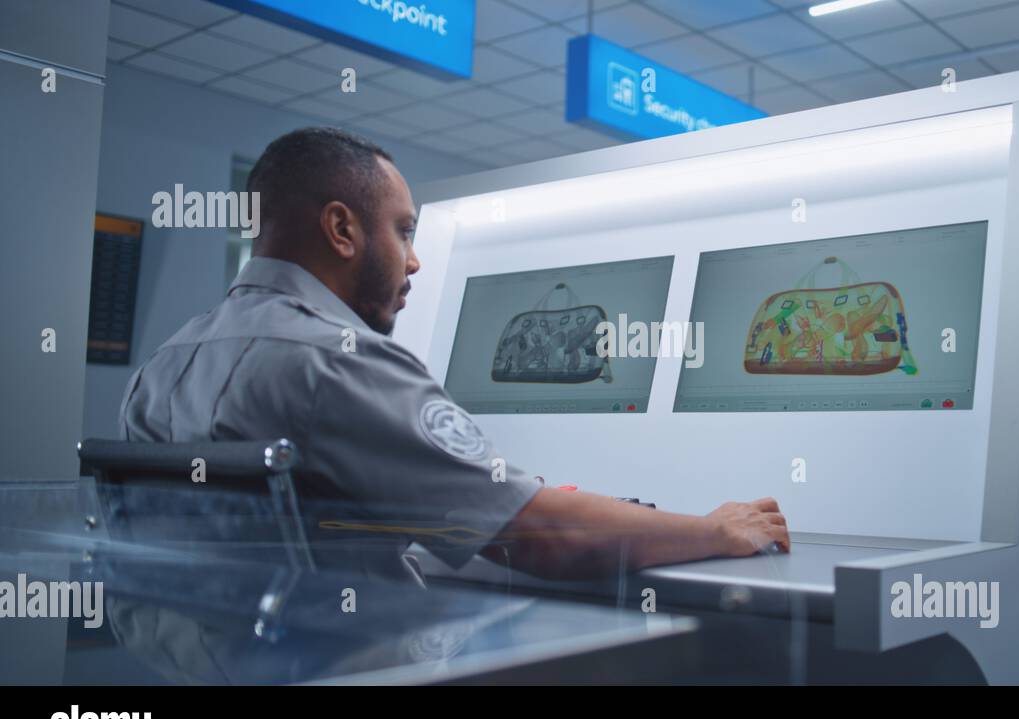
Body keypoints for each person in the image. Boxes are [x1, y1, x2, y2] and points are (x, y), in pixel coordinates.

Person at [120, 127, 790, 580]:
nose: (414, 260)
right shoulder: (340, 363)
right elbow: (533, 534)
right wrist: (710, 529)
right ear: (341, 229)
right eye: (404, 230)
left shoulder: (163, 366)